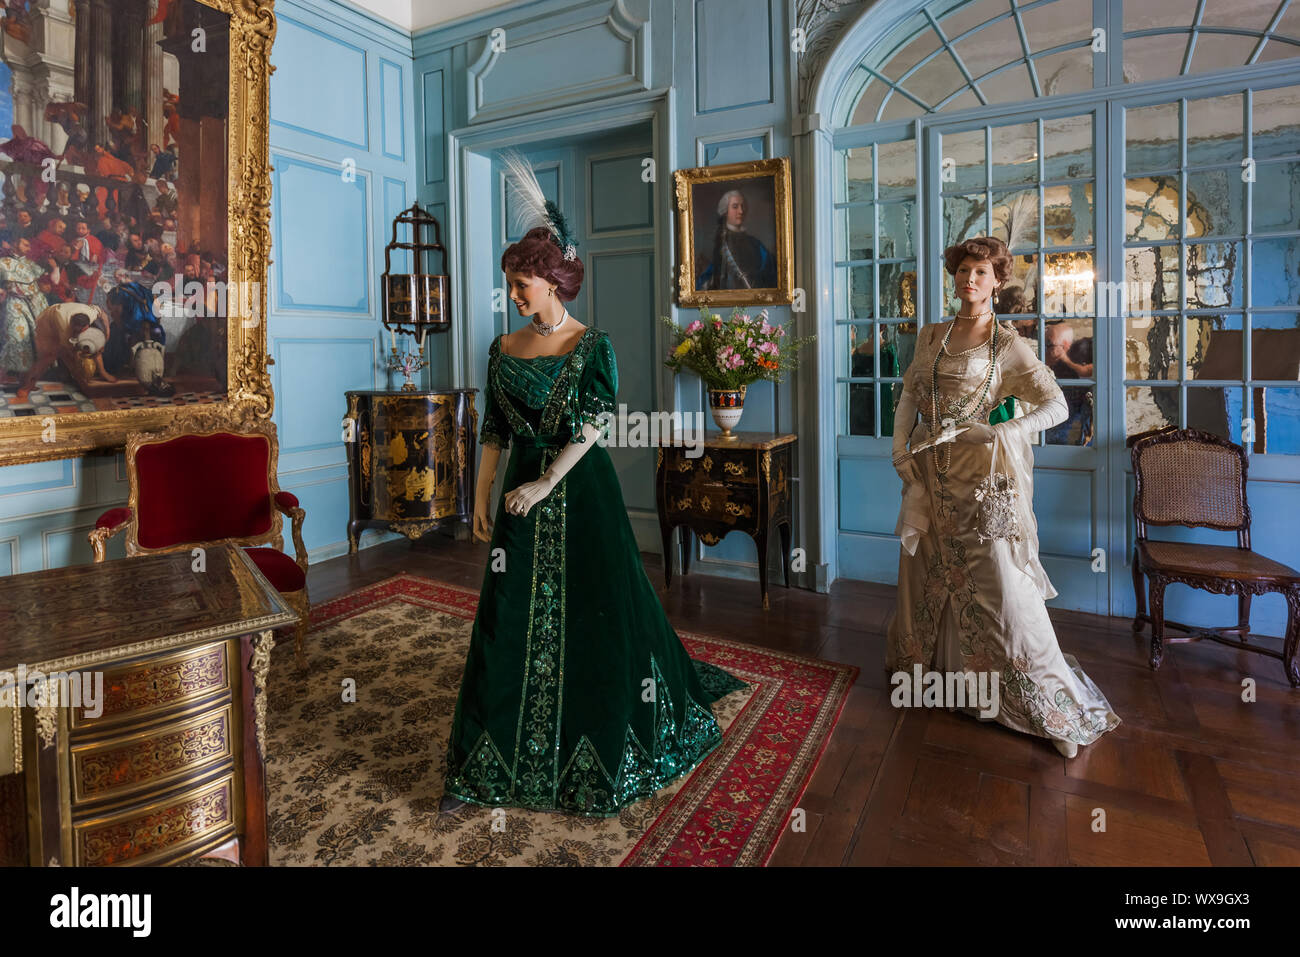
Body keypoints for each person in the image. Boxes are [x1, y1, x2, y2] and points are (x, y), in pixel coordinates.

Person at [441, 223, 745, 816]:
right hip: (516, 496)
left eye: (522, 284)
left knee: (596, 616)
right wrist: (479, 494)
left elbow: (592, 428)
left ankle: (592, 749)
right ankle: (482, 763)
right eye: (509, 285)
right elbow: (496, 429)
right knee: (507, 619)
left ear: (555, 283)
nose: (514, 296)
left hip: (580, 491)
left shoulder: (593, 347)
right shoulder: (502, 349)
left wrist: (545, 483)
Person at [886, 236, 1119, 759]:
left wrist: (999, 433)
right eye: (964, 270)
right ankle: (944, 683)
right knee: (930, 575)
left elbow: (1056, 405)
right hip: (928, 478)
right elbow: (909, 395)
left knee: (1002, 588)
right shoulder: (931, 336)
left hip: (982, 484)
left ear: (997, 282)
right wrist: (900, 448)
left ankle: (1050, 708)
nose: (970, 280)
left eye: (981, 272)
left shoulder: (1007, 344)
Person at [695, 188, 778, 290]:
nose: (741, 211)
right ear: (725, 211)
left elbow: (770, 270)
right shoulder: (715, 242)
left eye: (742, 206)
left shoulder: (755, 243)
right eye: (735, 207)